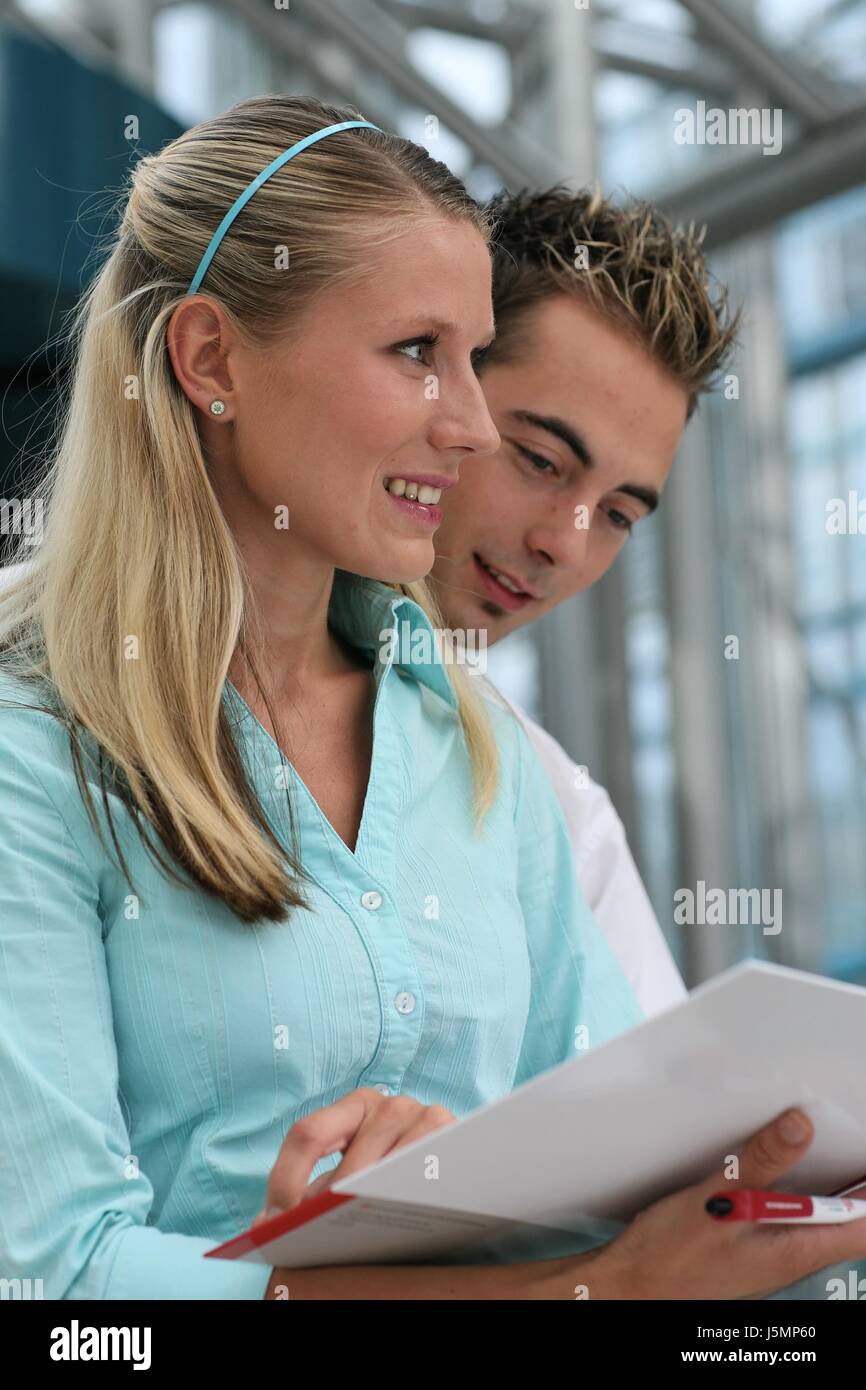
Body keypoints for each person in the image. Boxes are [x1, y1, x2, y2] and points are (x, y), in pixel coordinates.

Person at [0, 94, 863, 1302]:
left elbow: (632, 1186)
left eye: (618, 512)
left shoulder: (478, 756)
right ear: (210, 360)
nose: (464, 427)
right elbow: (53, 1284)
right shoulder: (37, 741)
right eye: (418, 353)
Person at [429, 186, 740, 1018]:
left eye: (617, 515)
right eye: (540, 460)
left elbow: (665, 1082)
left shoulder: (560, 814)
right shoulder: (127, 663)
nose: (565, 547)